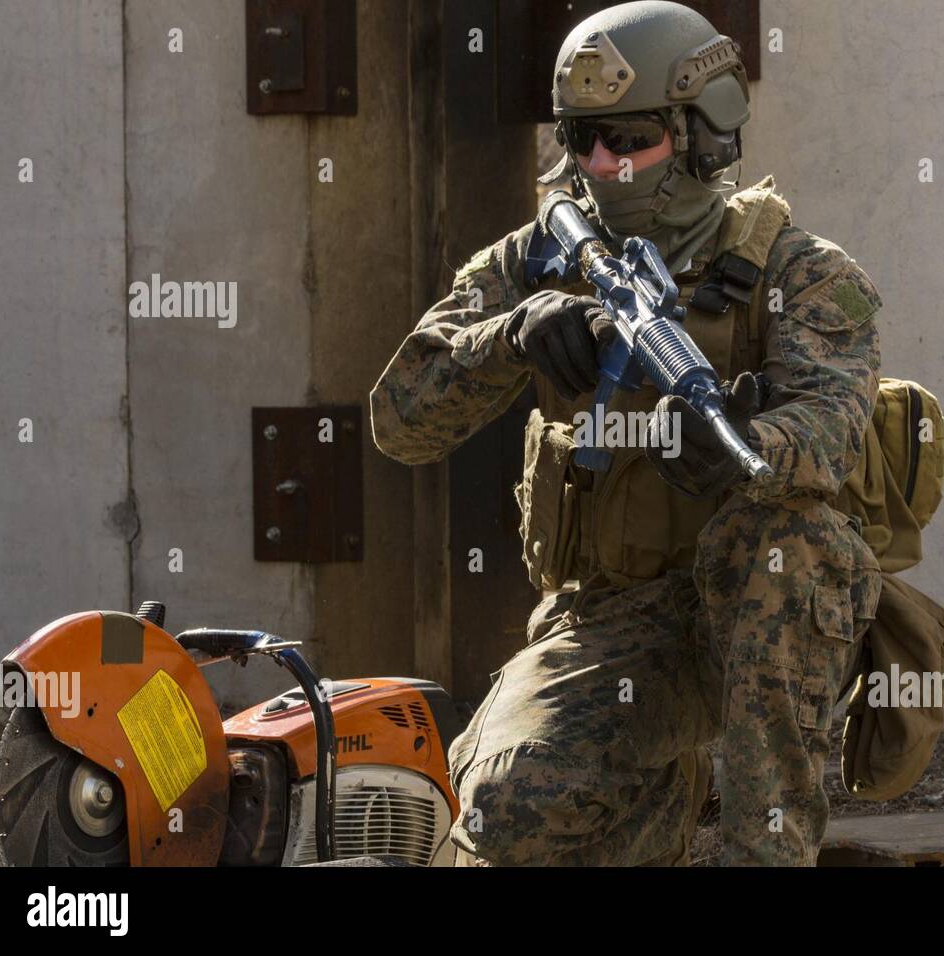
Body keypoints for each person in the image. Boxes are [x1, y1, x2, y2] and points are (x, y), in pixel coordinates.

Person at [371, 0, 883, 866]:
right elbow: (399, 424)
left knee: (788, 542)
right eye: (582, 140)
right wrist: (510, 335)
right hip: (609, 614)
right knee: (507, 801)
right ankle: (655, 797)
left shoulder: (802, 272)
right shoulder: (541, 254)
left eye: (631, 138)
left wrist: (736, 453)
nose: (603, 167)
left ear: (703, 134)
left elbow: (830, 425)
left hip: (762, 619)